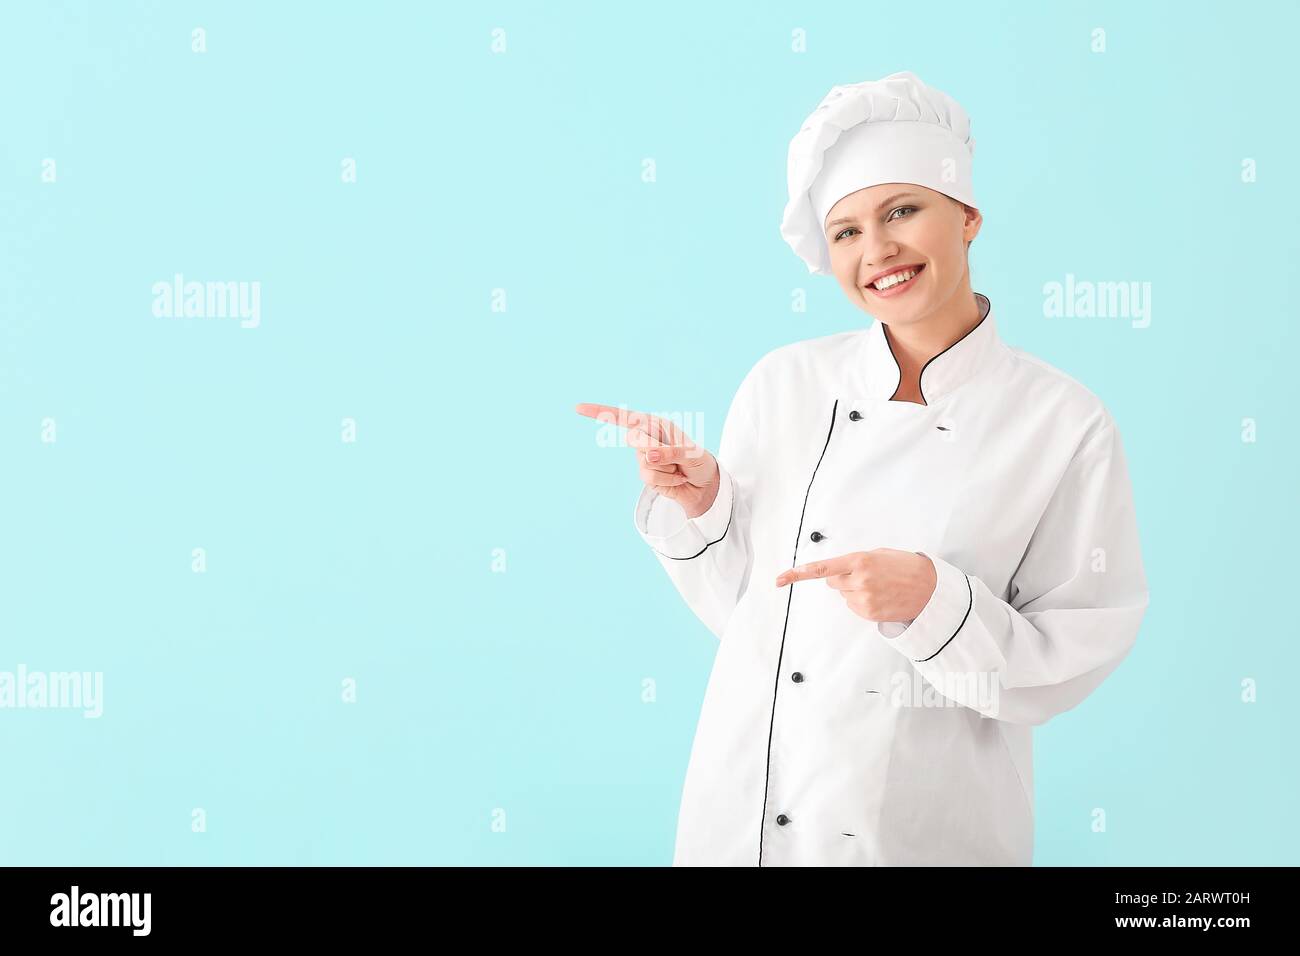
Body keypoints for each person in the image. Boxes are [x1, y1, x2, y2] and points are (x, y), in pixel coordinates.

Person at [575, 71, 1149, 866]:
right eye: (845, 232)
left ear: (969, 216)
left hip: (923, 826)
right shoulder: (785, 382)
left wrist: (935, 601)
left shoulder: (1062, 423)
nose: (876, 250)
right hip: (744, 810)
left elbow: (1070, 654)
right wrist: (705, 507)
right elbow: (746, 614)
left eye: (901, 211)